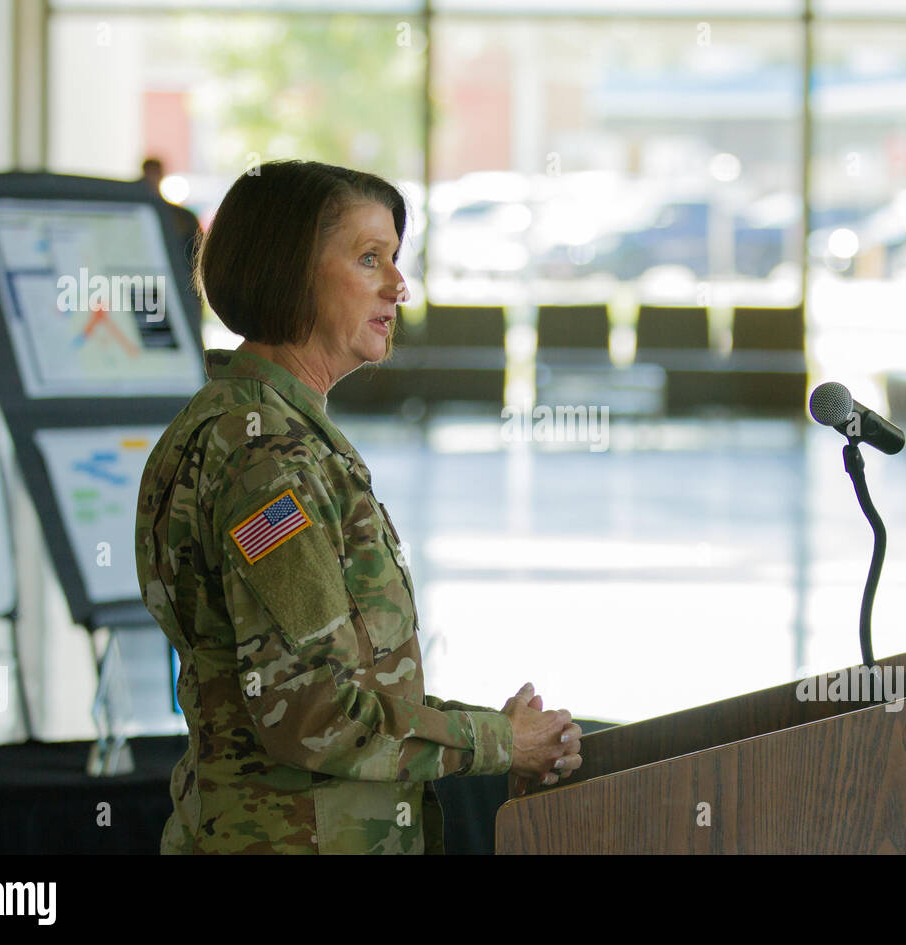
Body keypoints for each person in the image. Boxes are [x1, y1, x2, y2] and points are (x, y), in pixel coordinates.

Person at [135, 160, 582, 854]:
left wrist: (508, 734)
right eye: (369, 258)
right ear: (290, 272)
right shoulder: (266, 460)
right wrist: (498, 743)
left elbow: (339, 685)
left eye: (396, 259)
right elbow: (310, 709)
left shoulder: (257, 427)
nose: (398, 285)